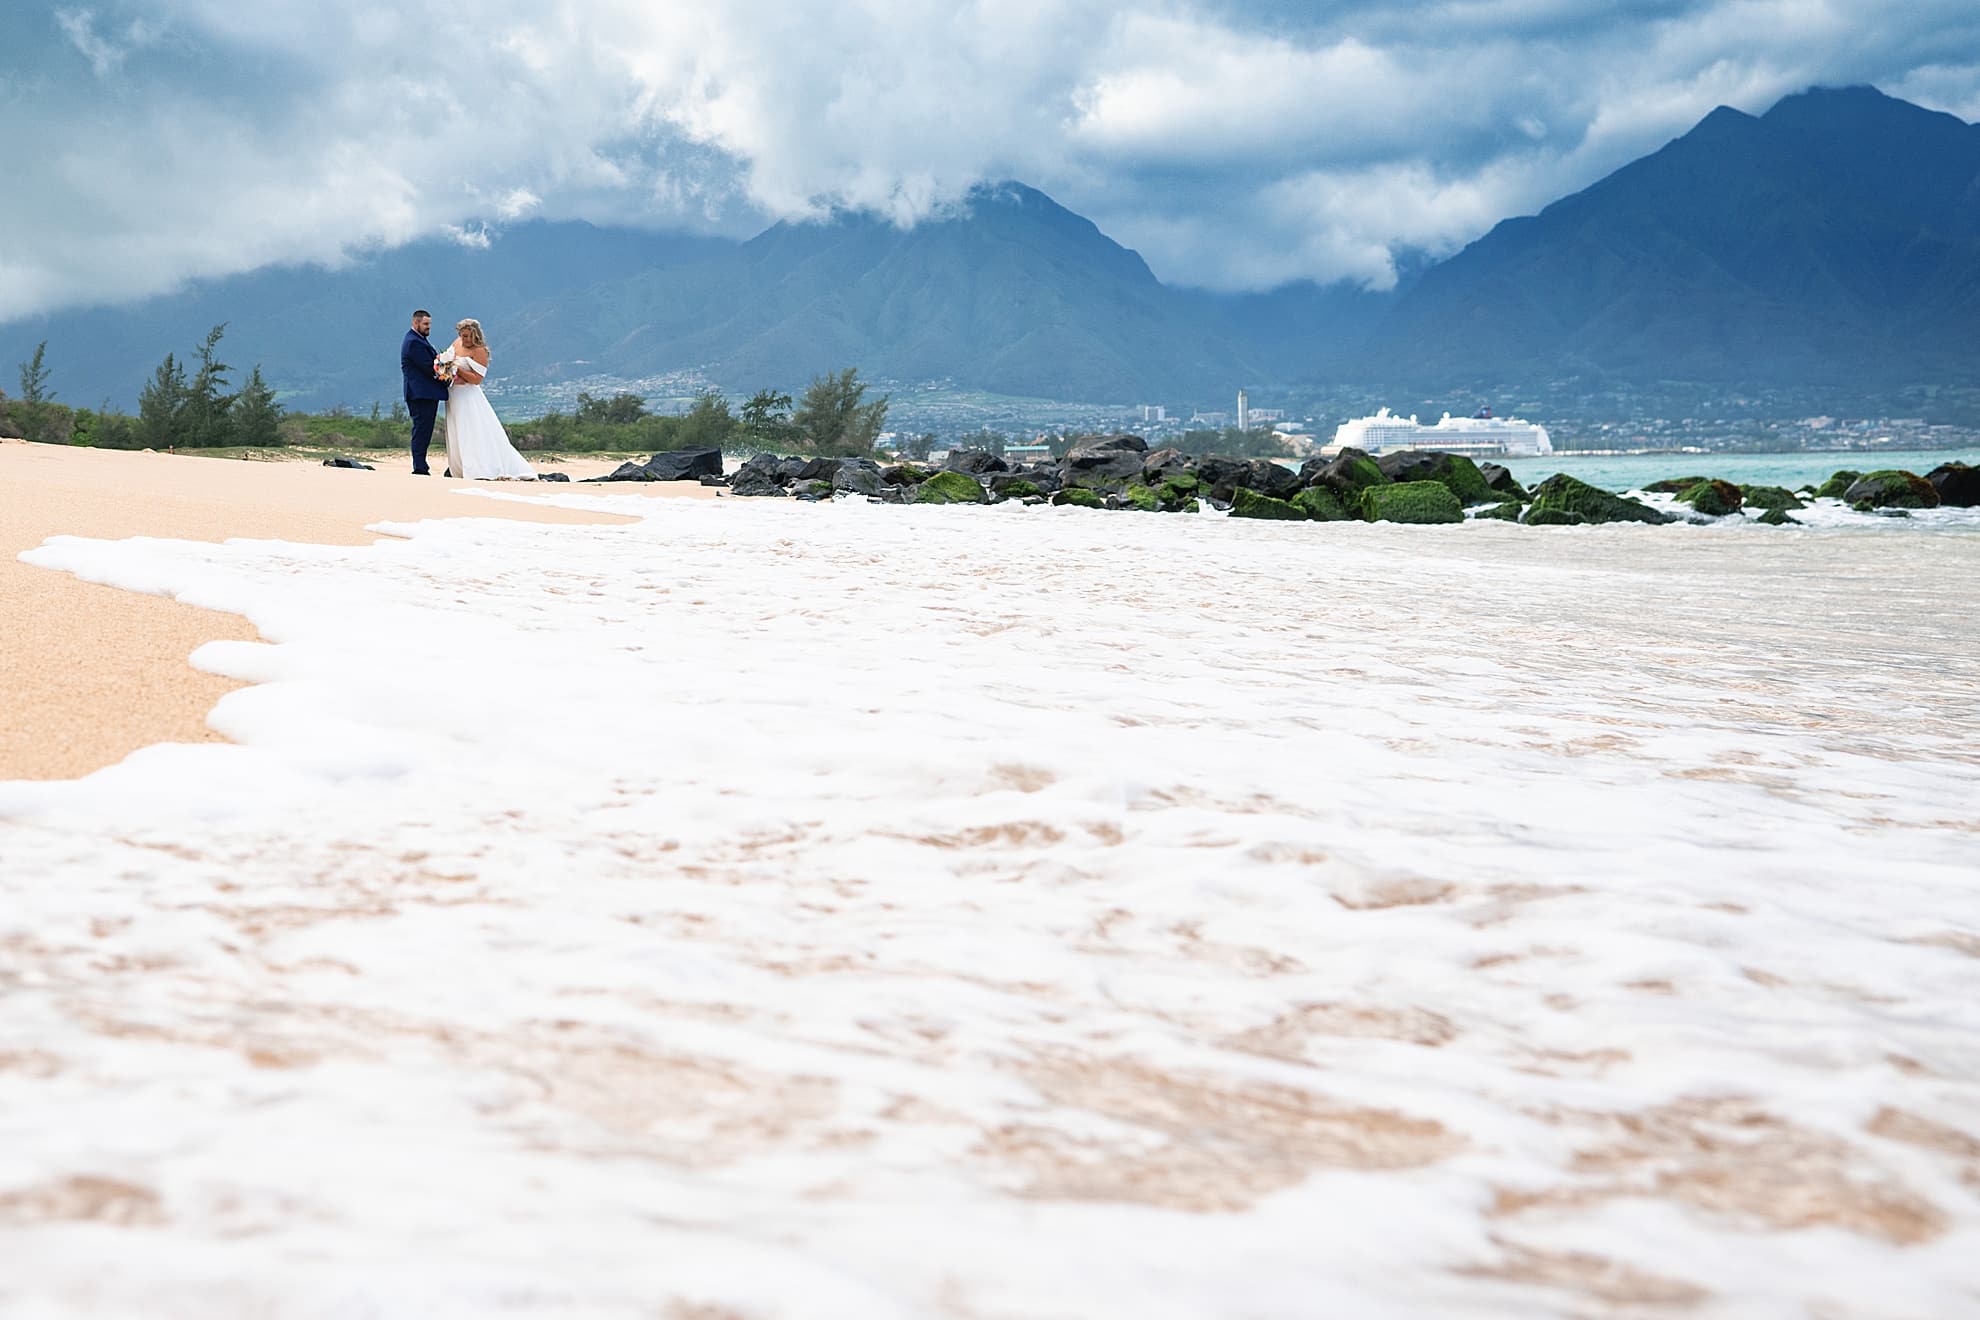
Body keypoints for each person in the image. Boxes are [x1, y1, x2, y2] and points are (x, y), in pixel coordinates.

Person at [440, 318, 537, 481]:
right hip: (454, 394)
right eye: (463, 336)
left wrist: (458, 370)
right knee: (457, 430)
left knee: (472, 430)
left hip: (468, 396)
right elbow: (447, 360)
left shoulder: (480, 351)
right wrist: (444, 367)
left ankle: (481, 466)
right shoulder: (457, 343)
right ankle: (460, 466)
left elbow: (477, 379)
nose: (465, 340)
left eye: (468, 336)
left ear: (475, 335)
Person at [399, 309, 449, 475]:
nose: (429, 327)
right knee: (421, 429)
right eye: (426, 324)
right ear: (416, 323)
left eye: (430, 324)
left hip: (424, 393)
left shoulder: (418, 340)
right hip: (420, 394)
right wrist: (447, 374)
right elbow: (429, 367)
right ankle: (419, 466)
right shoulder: (414, 342)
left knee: (424, 429)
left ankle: (421, 464)